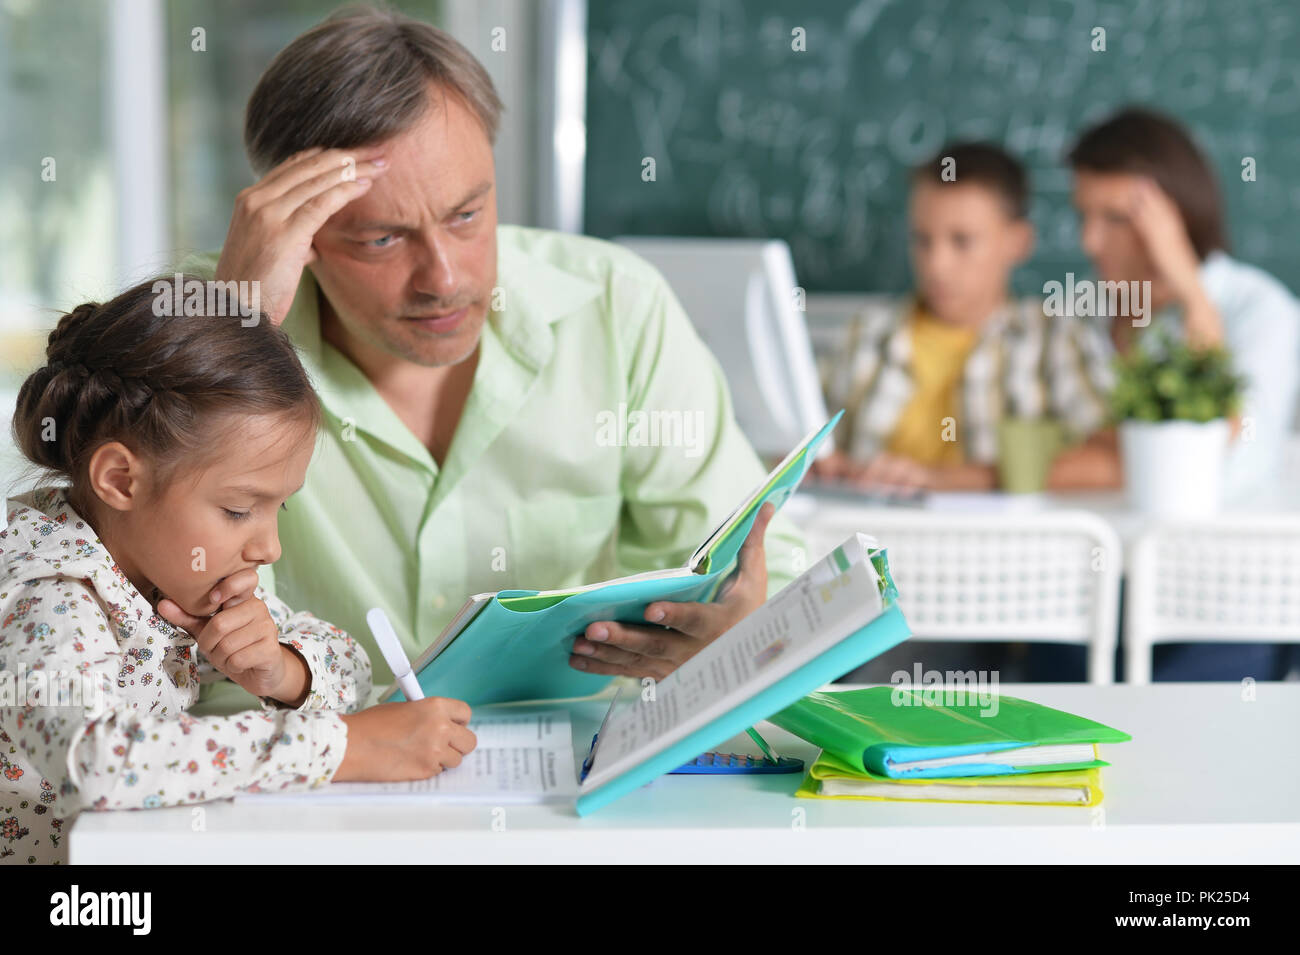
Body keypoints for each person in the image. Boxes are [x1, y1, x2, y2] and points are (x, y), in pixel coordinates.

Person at [179, 7, 800, 710]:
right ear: (302, 232)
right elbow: (121, 609)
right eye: (383, 239)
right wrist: (233, 340)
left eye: (467, 215)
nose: (444, 277)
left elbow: (762, 560)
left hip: (567, 777)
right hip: (307, 771)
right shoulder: (201, 318)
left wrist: (740, 626)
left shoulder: (615, 306)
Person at [1, 278, 476, 864]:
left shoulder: (168, 575)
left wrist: (281, 669)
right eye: (237, 510)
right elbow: (95, 761)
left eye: (280, 507)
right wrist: (344, 749)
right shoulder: (47, 590)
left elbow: (350, 669)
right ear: (122, 480)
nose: (269, 547)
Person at [814, 142, 1112, 492]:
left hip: (1000, 545)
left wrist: (947, 481)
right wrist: (819, 467)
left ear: (1018, 242)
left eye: (962, 241)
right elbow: (791, 447)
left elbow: (1111, 461)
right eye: (922, 240)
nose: (936, 265)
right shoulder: (866, 334)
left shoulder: (1054, 339)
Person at [1050, 106, 1300, 496]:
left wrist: (1193, 299)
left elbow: (1220, 456)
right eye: (1084, 216)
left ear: (1170, 219)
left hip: (1207, 551)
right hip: (1074, 543)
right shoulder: (1078, 305)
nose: (1089, 242)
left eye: (1114, 218)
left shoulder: (1261, 310)